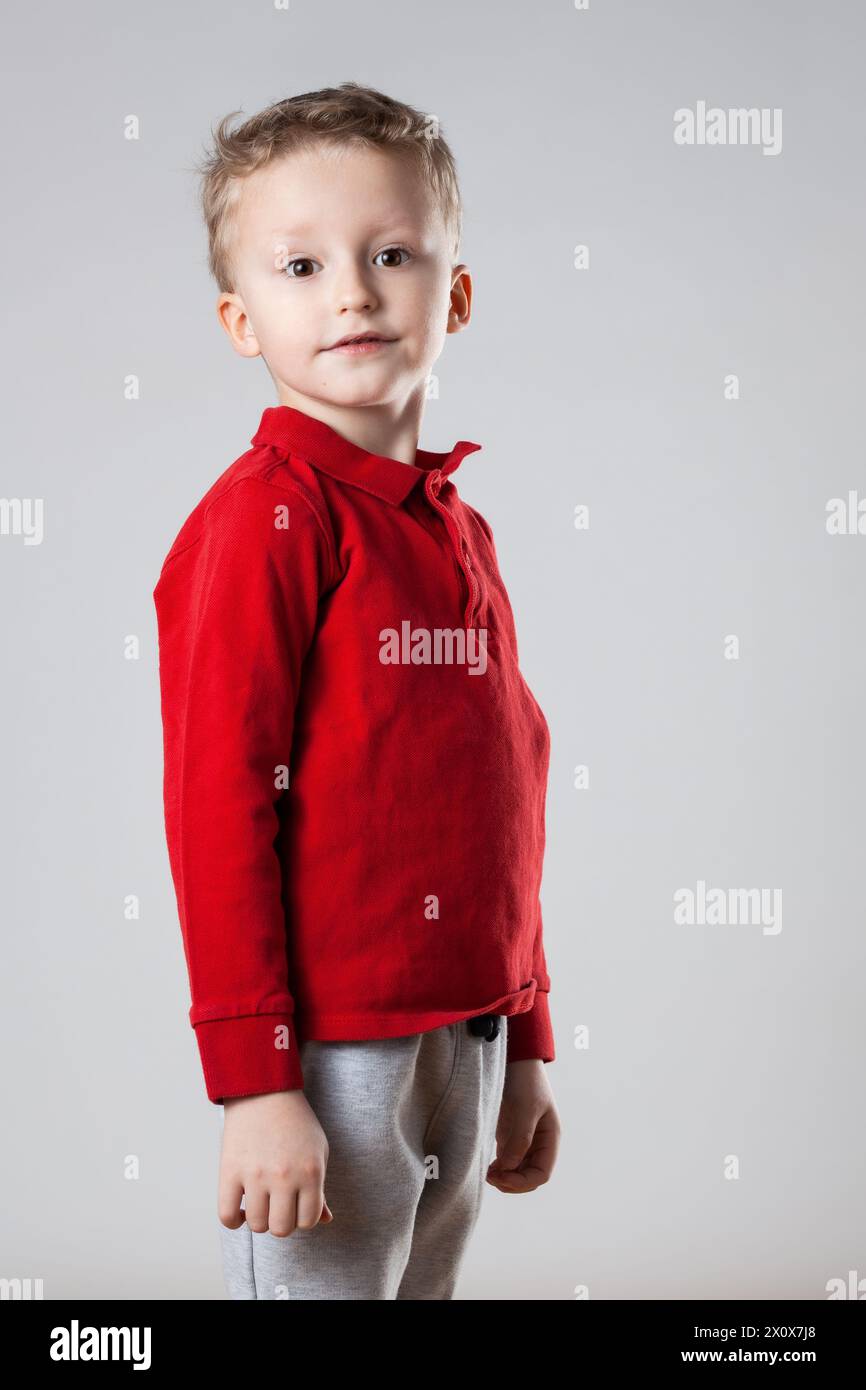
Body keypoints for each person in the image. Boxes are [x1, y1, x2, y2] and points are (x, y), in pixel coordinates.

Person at [153, 81, 560, 1300]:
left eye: (389, 252)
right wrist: (259, 1080)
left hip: (463, 1035)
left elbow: (505, 792)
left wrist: (524, 1032)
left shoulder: (458, 531)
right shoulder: (264, 522)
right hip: (331, 1049)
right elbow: (216, 809)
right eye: (299, 265)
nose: (350, 290)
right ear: (239, 319)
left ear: (458, 293)